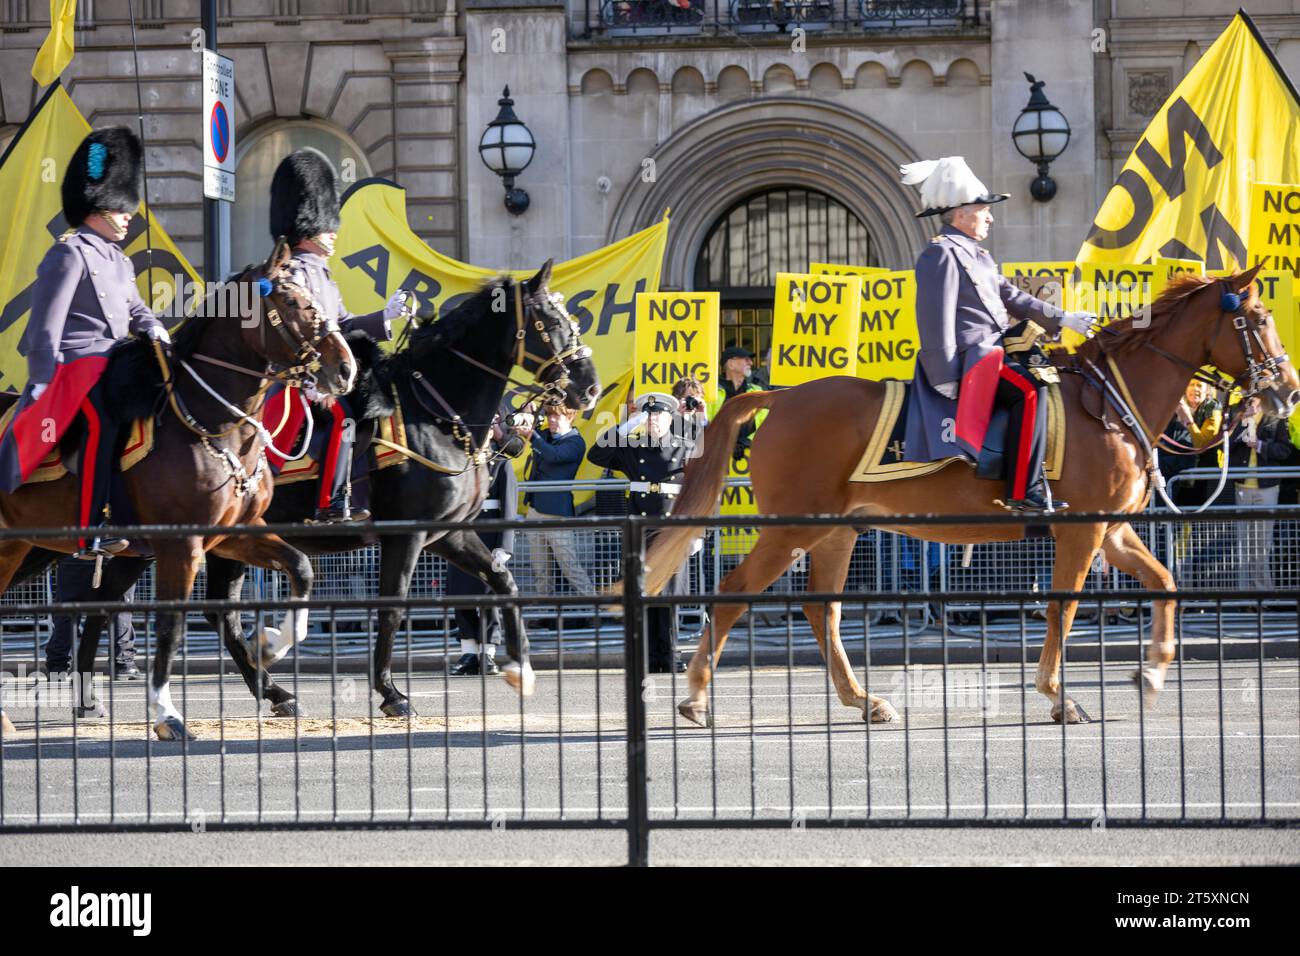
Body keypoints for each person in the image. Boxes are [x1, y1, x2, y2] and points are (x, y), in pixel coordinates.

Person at [0, 127, 171, 558]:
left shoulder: (120, 260)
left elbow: (136, 310)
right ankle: (91, 527)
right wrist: (41, 381)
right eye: (122, 206)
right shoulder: (68, 253)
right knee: (103, 421)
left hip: (112, 362)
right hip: (75, 367)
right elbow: (44, 327)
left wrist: (154, 328)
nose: (130, 214)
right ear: (98, 204)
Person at [899, 155, 1096, 513]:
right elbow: (933, 317)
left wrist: (1065, 318)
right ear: (960, 214)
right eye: (982, 209)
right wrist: (943, 375)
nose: (989, 216)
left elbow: (1014, 297)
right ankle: (1023, 489)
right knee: (1029, 391)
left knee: (1053, 380)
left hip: (995, 353)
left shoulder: (980, 256)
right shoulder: (940, 253)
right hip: (969, 359)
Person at [259, 148, 411, 522]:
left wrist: (385, 315)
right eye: (329, 226)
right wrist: (310, 382)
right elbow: (285, 332)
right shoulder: (292, 272)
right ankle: (329, 501)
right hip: (296, 382)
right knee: (343, 414)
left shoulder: (323, 273)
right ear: (309, 226)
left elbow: (342, 325)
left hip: (322, 375)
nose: (334, 233)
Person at [587, 392, 695, 672]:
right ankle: (646, 657)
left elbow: (702, 492)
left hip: (671, 530)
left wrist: (697, 534)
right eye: (647, 415)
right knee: (644, 595)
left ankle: (669, 655)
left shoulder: (686, 448)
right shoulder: (632, 448)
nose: (652, 420)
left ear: (670, 418)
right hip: (640, 529)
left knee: (667, 597)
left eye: (658, 415)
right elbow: (597, 453)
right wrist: (627, 424)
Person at [446, 413, 524, 676]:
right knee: (461, 595)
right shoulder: (461, 461)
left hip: (490, 537)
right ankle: (468, 651)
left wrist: (505, 545)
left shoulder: (501, 463)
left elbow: (509, 509)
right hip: (462, 535)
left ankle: (487, 652)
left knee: (489, 596)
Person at [520, 403, 596, 595]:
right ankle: (543, 611)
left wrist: (532, 435)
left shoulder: (576, 442)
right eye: (549, 415)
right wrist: (530, 411)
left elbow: (554, 455)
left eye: (557, 416)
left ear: (570, 417)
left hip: (557, 515)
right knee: (540, 569)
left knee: (569, 565)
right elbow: (532, 432)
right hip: (534, 509)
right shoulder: (544, 435)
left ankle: (596, 605)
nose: (551, 419)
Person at [1228, 395, 1292, 590]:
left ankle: (1262, 593)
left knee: (1262, 544)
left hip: (1267, 488)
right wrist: (1240, 422)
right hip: (1241, 488)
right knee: (1243, 544)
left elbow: (1284, 450)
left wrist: (1261, 446)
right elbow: (1226, 445)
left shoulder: (1277, 417)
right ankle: (1244, 593)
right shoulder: (1235, 415)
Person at [45, 555, 140, 680]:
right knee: (120, 609)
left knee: (68, 611)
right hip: (115, 555)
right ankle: (123, 663)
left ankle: (57, 666)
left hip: (75, 553)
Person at [709, 345, 767, 460]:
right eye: (746, 359)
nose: (750, 363)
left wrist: (745, 442)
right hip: (717, 456)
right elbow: (706, 424)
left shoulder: (757, 391)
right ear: (731, 364)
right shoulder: (712, 392)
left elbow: (765, 423)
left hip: (752, 455)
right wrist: (729, 444)